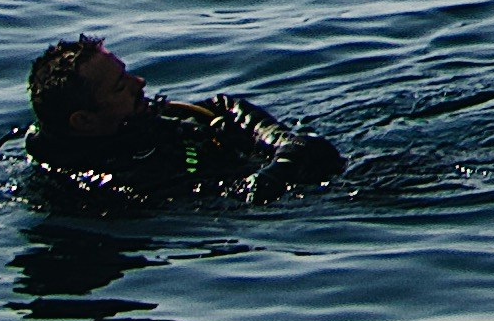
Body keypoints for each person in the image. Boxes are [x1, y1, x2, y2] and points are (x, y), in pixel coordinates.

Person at [19, 35, 343, 205]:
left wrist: (279, 140)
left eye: (126, 73)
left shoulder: (131, 122)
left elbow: (221, 104)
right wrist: (283, 168)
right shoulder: (108, 184)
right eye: (121, 85)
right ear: (84, 121)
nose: (140, 82)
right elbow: (234, 199)